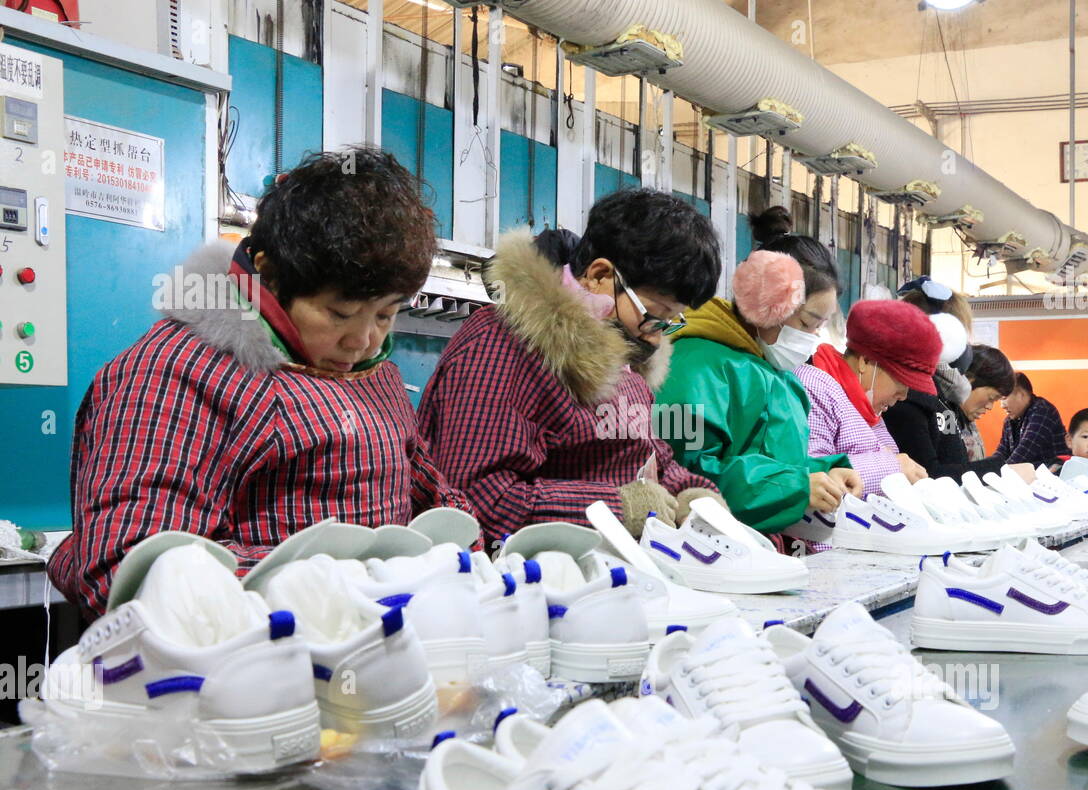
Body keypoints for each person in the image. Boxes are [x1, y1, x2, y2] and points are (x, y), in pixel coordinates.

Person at [48, 149, 472, 618]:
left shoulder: (371, 372)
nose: (365, 341)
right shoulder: (176, 374)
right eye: (341, 313)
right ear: (268, 274)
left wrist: (460, 548)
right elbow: (127, 567)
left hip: (371, 651)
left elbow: (426, 488)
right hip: (237, 670)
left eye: (387, 314)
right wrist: (337, 582)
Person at [418, 188, 722, 544]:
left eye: (669, 322)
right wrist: (614, 509)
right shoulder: (503, 347)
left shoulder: (625, 357)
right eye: (654, 315)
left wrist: (693, 495)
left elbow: (651, 461)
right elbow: (478, 498)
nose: (655, 338)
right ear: (598, 275)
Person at [654, 208, 861, 534]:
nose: (813, 339)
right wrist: (795, 489)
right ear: (768, 304)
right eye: (807, 323)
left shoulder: (776, 373)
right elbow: (686, 476)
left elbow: (776, 463)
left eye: (820, 327)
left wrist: (825, 474)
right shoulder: (695, 366)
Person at [797, 299, 942, 497]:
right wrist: (893, 467)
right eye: (902, 384)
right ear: (866, 361)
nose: (903, 396)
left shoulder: (866, 406)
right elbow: (813, 479)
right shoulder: (813, 387)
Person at [883, 343, 1035, 482]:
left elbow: (955, 464)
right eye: (991, 398)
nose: (989, 407)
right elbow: (928, 474)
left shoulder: (945, 405)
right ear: (968, 379)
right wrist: (998, 469)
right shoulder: (915, 402)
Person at [995, 372, 1068, 470]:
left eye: (1004, 398)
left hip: (1056, 473)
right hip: (1032, 474)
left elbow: (1024, 452)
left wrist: (999, 472)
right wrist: (988, 468)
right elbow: (1002, 452)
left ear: (1021, 395)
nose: (1002, 405)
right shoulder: (1010, 419)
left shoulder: (1042, 410)